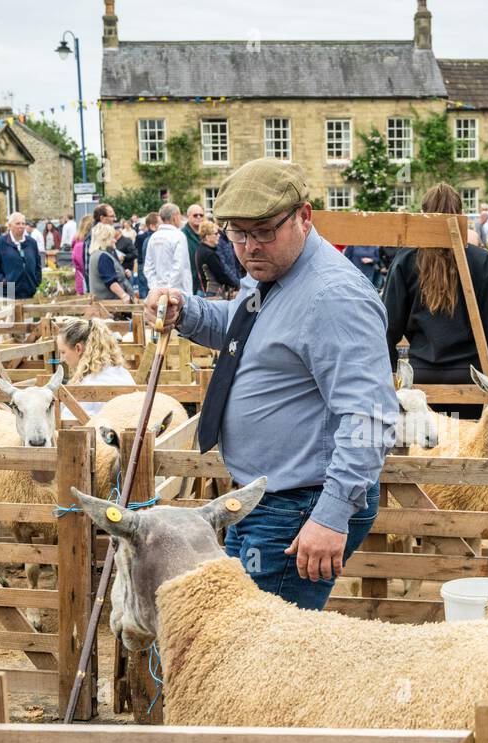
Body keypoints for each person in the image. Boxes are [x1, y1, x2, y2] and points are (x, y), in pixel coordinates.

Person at [144, 157, 395, 611]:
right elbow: (247, 329)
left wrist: (332, 516)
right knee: (245, 641)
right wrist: (189, 311)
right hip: (263, 499)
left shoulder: (333, 297)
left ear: (304, 215)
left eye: (262, 231)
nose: (248, 247)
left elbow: (371, 417)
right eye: (236, 233)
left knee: (261, 660)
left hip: (300, 507)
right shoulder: (275, 273)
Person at [384, 183, 488, 420]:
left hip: (421, 373)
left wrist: (392, 369)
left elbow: (388, 326)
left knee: (423, 451)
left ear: (423, 215)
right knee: (463, 450)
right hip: (467, 375)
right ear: (460, 215)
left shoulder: (406, 260)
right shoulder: (481, 261)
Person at [55, 314, 136, 419]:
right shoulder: (122, 372)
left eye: (63, 352)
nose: (61, 359)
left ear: (78, 349)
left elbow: (67, 422)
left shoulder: (86, 387)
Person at [0, 212, 43, 301]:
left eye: (23, 223)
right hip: (7, 294)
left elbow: (38, 264)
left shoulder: (32, 243)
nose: (21, 226)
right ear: (9, 226)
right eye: (17, 223)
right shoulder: (1, 243)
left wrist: (36, 281)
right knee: (10, 315)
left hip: (29, 293)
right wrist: (2, 281)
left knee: (29, 315)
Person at [144, 203, 191, 293]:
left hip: (158, 291)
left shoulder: (153, 237)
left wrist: (155, 288)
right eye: (180, 215)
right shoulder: (179, 236)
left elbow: (148, 267)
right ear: (175, 217)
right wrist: (168, 288)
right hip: (179, 291)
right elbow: (179, 266)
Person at [88, 223, 134, 303]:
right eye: (112, 237)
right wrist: (124, 296)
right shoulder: (103, 256)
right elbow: (110, 281)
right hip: (110, 305)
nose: (115, 240)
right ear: (105, 239)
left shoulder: (99, 254)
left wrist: (124, 273)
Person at [194, 220, 240, 298]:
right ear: (207, 237)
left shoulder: (201, 249)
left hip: (206, 291)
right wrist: (236, 285)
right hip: (212, 293)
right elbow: (221, 276)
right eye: (215, 233)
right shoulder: (209, 254)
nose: (219, 235)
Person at [133, 211, 159, 298]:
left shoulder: (142, 237)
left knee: (144, 291)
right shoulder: (153, 239)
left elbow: (135, 249)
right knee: (146, 292)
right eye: (160, 223)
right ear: (152, 226)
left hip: (142, 264)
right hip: (146, 267)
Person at [182, 203, 205, 294]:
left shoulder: (206, 234)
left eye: (201, 215)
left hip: (203, 281)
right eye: (195, 215)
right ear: (188, 217)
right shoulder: (182, 234)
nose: (199, 217)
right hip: (190, 280)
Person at [70, 214, 94, 294]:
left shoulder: (76, 238)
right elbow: (83, 265)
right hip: (87, 278)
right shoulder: (84, 242)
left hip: (79, 277)